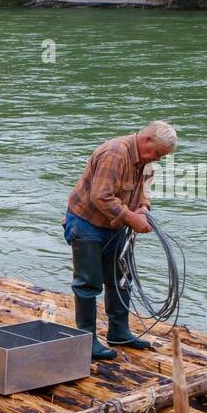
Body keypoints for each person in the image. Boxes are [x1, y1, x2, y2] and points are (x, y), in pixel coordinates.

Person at [64, 120, 177, 359]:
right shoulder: (115, 153)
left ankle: (119, 332)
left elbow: (144, 190)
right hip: (87, 224)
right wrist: (130, 217)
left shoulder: (146, 161)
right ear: (147, 141)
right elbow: (100, 196)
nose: (158, 159)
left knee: (120, 279)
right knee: (88, 283)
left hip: (114, 226)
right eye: (158, 153)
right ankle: (87, 341)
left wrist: (143, 209)